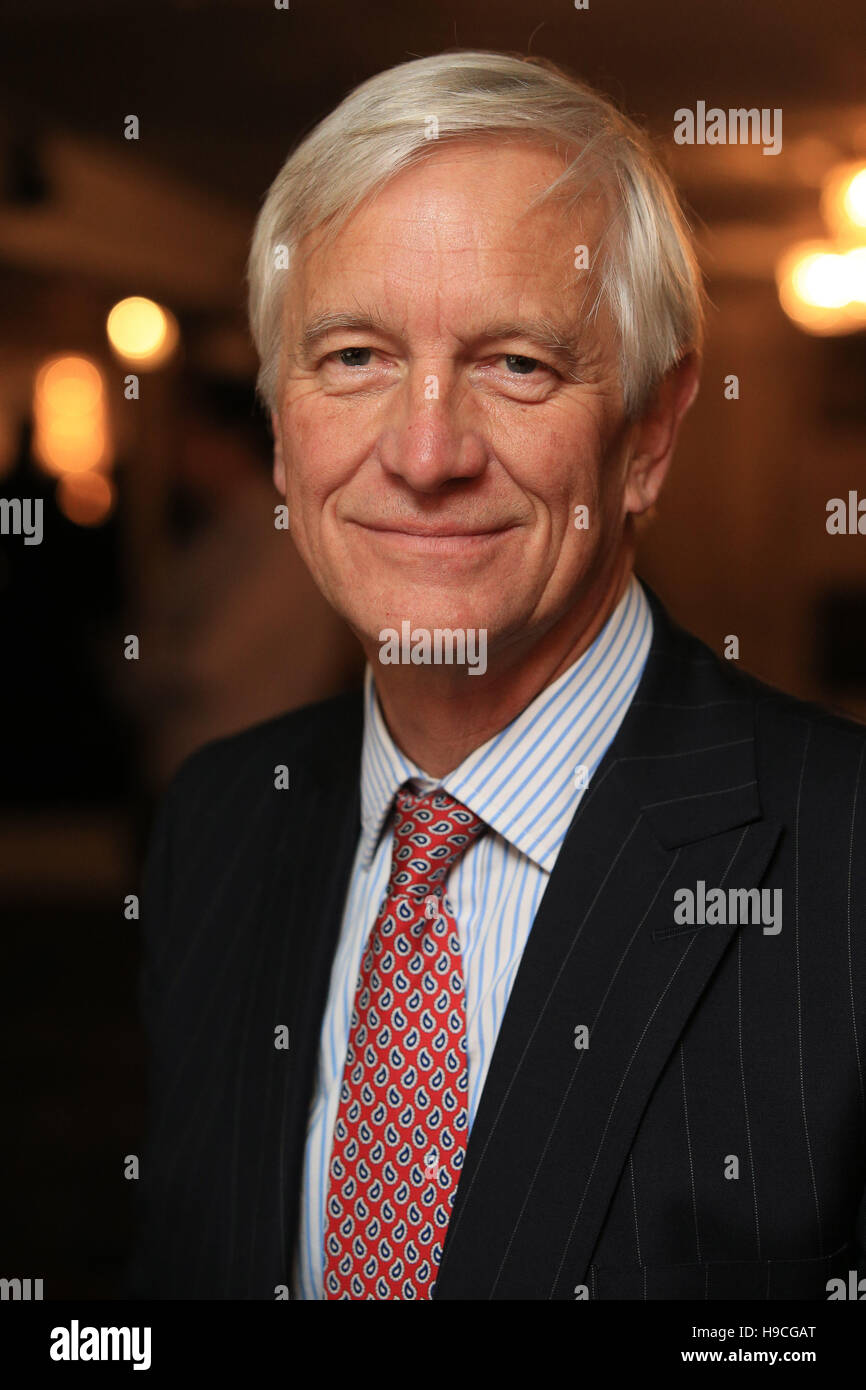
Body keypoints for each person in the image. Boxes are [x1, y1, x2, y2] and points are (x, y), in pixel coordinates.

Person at [123, 50, 866, 1301]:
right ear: (280, 428)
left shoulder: (842, 858)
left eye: (516, 363)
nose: (423, 452)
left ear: (649, 434)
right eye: (352, 355)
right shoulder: (218, 821)